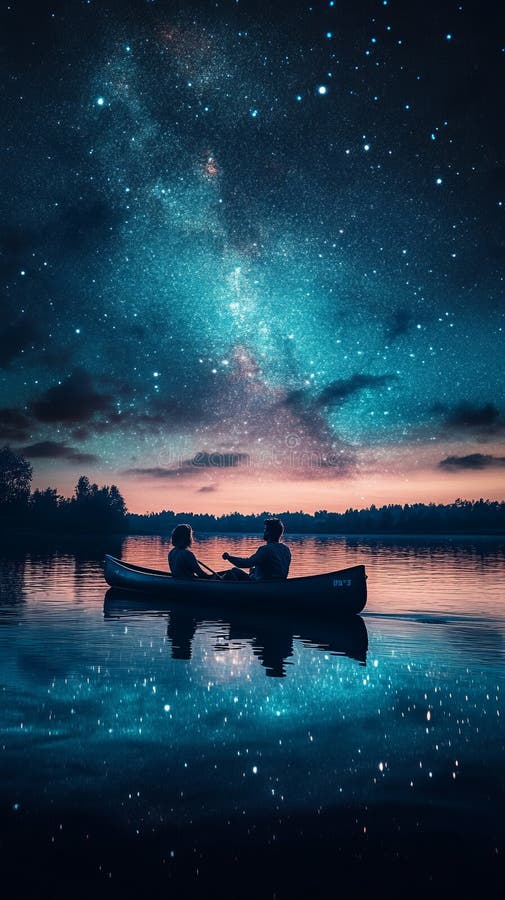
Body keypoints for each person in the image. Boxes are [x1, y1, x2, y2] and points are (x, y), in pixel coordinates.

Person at [221, 518, 291, 581]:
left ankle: (219, 585)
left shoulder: (265, 550)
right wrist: (255, 572)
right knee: (253, 570)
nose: (264, 532)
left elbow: (246, 563)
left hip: (263, 586)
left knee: (233, 571)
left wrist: (229, 557)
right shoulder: (286, 549)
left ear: (268, 532)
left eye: (265, 530)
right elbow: (273, 569)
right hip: (279, 584)